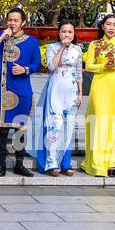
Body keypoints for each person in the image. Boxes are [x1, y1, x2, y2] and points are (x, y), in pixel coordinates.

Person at [0, 7, 41, 177]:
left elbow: (37, 64)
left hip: (22, 89)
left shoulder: (31, 41)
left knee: (20, 128)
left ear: (23, 22)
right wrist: (1, 39)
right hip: (1, 91)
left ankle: (19, 163)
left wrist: (25, 69)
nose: (12, 23)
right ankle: (1, 164)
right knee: (1, 129)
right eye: (10, 20)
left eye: (16, 20)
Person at [29, 20, 84, 176]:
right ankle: (52, 163)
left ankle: (65, 163)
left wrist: (80, 93)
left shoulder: (78, 50)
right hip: (56, 90)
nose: (66, 35)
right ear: (58, 33)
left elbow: (79, 72)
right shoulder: (52, 48)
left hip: (72, 91)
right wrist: (61, 48)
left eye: (70, 32)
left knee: (68, 127)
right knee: (55, 125)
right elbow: (51, 67)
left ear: (74, 34)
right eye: (63, 31)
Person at [82, 13, 115, 177]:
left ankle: (110, 163)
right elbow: (89, 66)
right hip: (100, 83)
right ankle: (95, 163)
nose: (111, 27)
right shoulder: (94, 45)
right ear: (102, 26)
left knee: (114, 122)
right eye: (108, 24)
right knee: (98, 121)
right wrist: (103, 66)